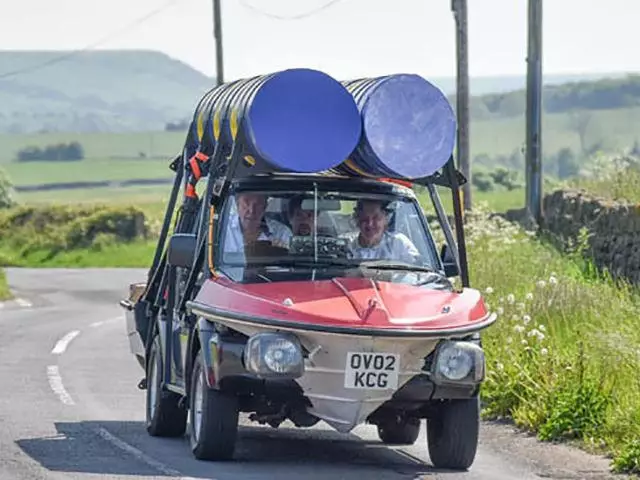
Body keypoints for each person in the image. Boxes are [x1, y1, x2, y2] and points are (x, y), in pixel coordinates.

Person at [347, 199, 420, 263]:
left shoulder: (399, 243)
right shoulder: (348, 246)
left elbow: (417, 270)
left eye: (376, 218)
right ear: (357, 220)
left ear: (385, 220)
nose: (370, 224)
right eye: (364, 218)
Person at [223, 193, 293, 255]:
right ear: (237, 205)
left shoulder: (282, 232)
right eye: (246, 203)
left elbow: (291, 263)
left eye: (258, 204)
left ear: (264, 207)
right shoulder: (223, 229)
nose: (252, 210)